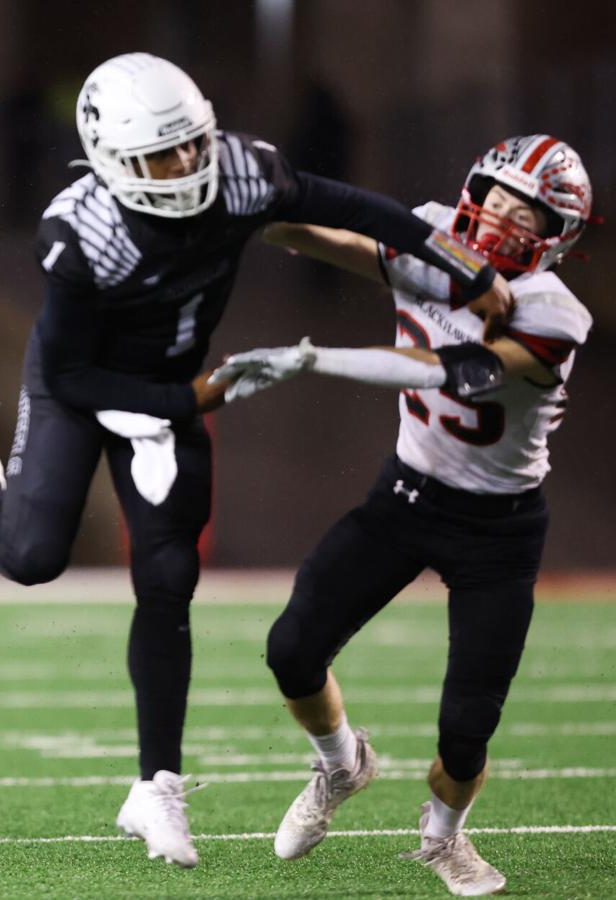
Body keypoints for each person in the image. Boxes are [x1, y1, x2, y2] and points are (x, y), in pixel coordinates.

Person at [0, 52, 514, 868]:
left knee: (167, 577)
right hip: (86, 387)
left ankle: (156, 785)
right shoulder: (81, 233)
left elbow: (357, 206)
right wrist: (187, 403)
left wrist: (463, 264)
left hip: (173, 381)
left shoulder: (242, 172)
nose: (187, 166)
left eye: (193, 145)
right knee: (30, 555)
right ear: (113, 159)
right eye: (163, 156)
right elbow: (68, 373)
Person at [215, 134, 594, 896]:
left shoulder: (555, 314)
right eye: (493, 196)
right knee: (292, 647)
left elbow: (449, 372)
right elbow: (319, 238)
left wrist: (315, 358)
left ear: (556, 236)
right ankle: (340, 765)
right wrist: (250, 206)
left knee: (467, 730)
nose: (497, 218)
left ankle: (445, 837)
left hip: (500, 529)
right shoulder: (432, 239)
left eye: (524, 213)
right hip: (407, 494)